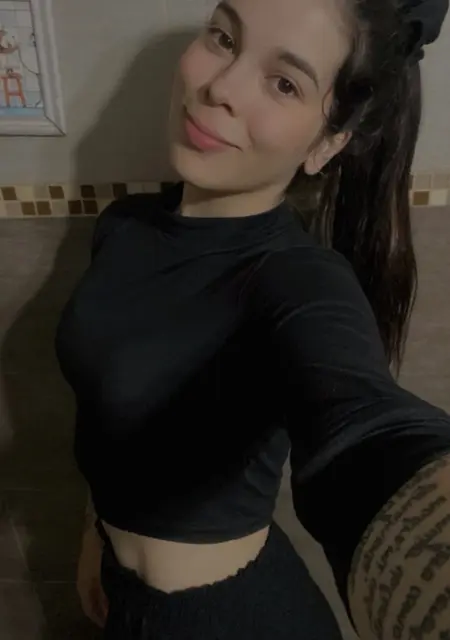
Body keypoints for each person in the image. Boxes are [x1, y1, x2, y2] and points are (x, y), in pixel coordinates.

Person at [55, 0, 450, 637]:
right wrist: (94, 533)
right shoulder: (123, 227)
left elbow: (367, 428)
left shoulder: (298, 280)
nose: (222, 88)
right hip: (123, 591)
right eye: (223, 37)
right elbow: (105, 413)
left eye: (285, 83)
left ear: (328, 142)